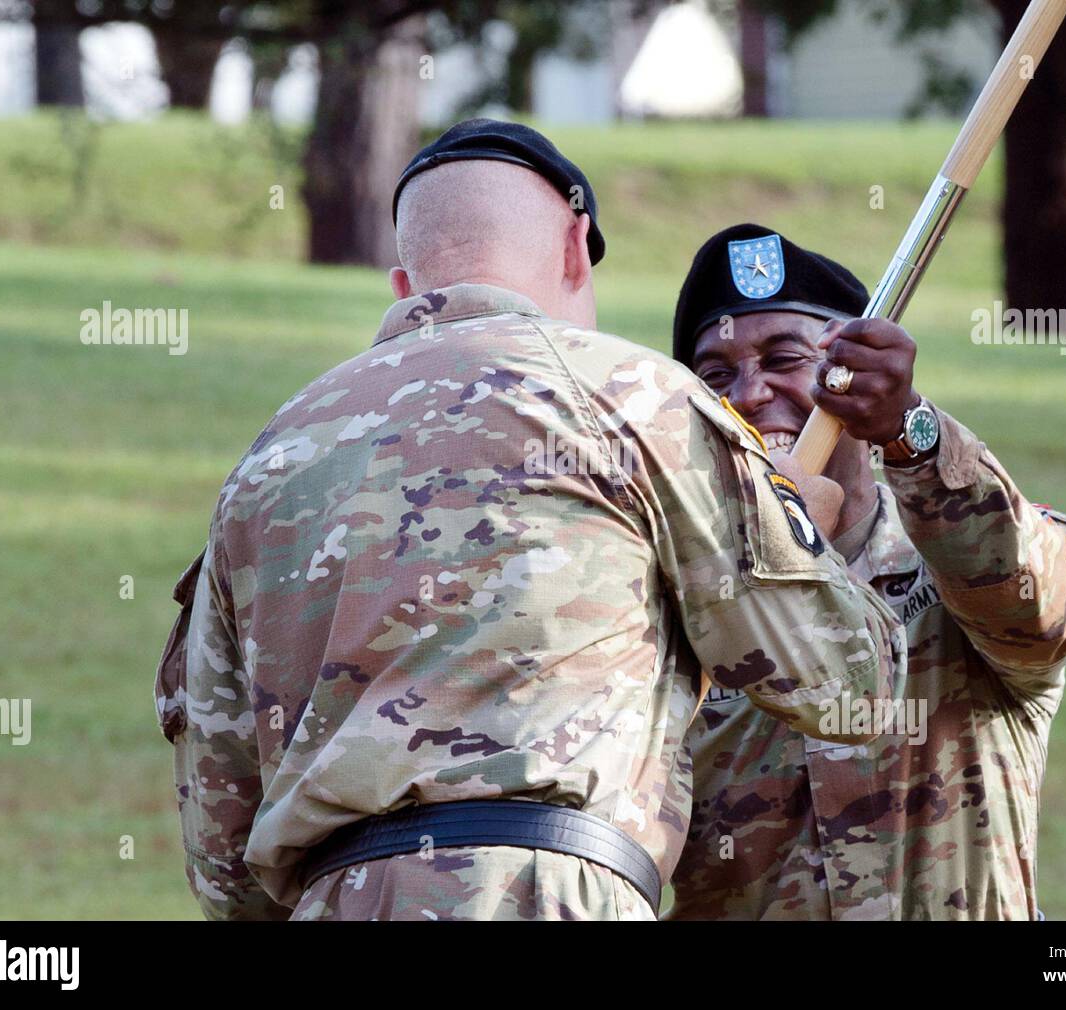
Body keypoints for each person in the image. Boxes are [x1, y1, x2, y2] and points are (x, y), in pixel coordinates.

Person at [153, 123, 901, 921]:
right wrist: (798, 529)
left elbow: (222, 831)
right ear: (576, 247)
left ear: (406, 285)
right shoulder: (637, 396)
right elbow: (848, 683)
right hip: (559, 891)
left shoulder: (269, 463)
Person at [665, 223, 1066, 920]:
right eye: (714, 376)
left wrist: (911, 430)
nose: (748, 394)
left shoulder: (962, 552)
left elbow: (1035, 616)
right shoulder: (675, 602)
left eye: (785, 358)